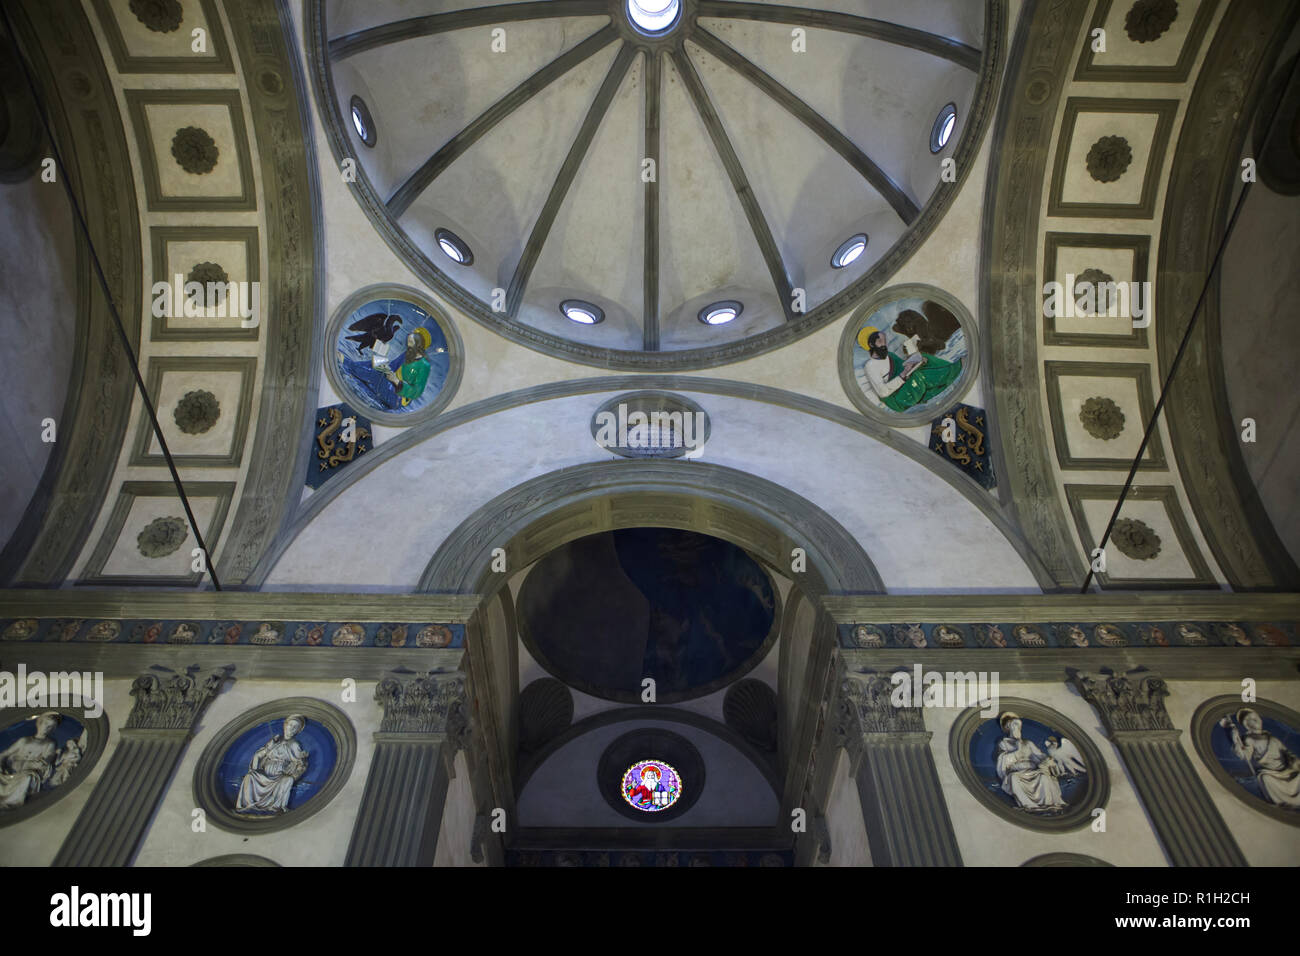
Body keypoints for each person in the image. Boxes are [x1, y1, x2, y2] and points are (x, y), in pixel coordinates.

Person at [856, 326, 962, 412]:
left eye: (884, 341)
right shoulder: (870, 366)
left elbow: (902, 366)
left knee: (926, 359)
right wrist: (903, 375)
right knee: (917, 377)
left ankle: (952, 370)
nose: (884, 344)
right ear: (871, 344)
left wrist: (915, 361)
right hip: (896, 398)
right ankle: (947, 377)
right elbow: (883, 392)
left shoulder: (890, 355)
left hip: (905, 382)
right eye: (880, 341)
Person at [1221, 709, 1300, 808]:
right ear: (1247, 725)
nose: (1254, 722)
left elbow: (1286, 752)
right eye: (1250, 720)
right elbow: (1245, 756)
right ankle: (1284, 802)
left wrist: (1294, 760)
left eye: (1255, 719)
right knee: (1265, 778)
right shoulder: (1250, 739)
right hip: (1272, 772)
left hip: (1287, 769)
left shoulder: (1272, 738)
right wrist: (1235, 738)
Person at [236, 715, 309, 814]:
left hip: (279, 775)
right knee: (250, 776)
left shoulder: (294, 745)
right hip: (265, 773)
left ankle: (276, 807)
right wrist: (270, 747)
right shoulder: (275, 741)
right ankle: (248, 805)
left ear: (297, 731)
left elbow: (299, 762)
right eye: (290, 725)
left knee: (288, 780)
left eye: (295, 727)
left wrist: (301, 763)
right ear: (285, 726)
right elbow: (259, 754)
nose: (292, 729)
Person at [994, 713, 1066, 812]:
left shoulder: (1028, 743)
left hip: (1033, 770)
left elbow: (1040, 755)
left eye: (1018, 726)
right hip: (1017, 772)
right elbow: (1002, 759)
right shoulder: (1004, 743)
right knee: (1013, 778)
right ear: (1008, 727)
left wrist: (1048, 760)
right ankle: (1028, 805)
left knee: (1044, 777)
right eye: (1014, 725)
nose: (1017, 728)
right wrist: (1016, 752)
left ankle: (1049, 804)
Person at [0, 712, 60, 810]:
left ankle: (9, 802)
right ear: (39, 723)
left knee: (28, 778)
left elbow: (49, 757)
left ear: (52, 729)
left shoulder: (50, 743)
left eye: (50, 727)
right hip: (12, 770)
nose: (46, 728)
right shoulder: (24, 740)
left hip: (29, 771)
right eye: (45, 724)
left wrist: (40, 763)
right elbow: (5, 754)